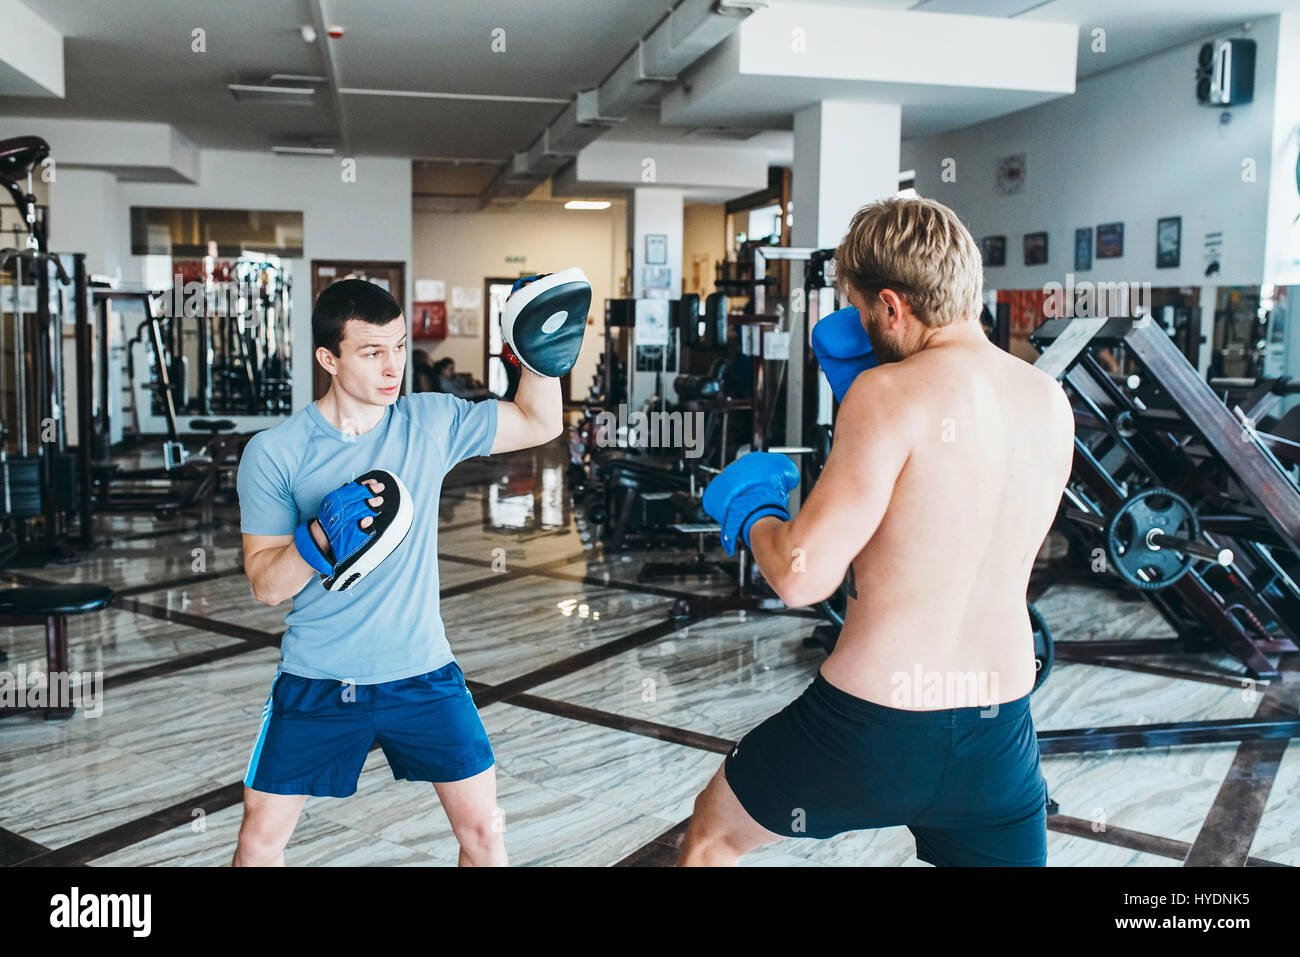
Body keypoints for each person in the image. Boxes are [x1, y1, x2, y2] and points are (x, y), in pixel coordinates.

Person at [683, 196, 1076, 866]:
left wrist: (755, 512)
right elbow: (942, 522)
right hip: (998, 735)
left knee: (713, 837)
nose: (862, 326)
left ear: (893, 307)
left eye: (867, 310)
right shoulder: (1048, 399)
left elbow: (801, 575)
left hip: (870, 725)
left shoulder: (887, 394)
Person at [233, 278, 562, 867]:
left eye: (399, 348)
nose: (393, 368)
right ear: (328, 358)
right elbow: (265, 587)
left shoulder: (429, 420)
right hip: (318, 678)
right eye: (371, 352)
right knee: (260, 842)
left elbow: (539, 423)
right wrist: (317, 541)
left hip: (423, 673)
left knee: (485, 834)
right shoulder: (275, 452)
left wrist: (542, 355)